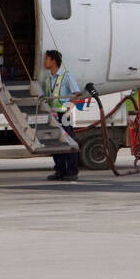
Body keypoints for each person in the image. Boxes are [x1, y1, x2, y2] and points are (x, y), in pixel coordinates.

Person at [41, 49, 82, 181]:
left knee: (68, 142)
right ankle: (60, 170)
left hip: (64, 113)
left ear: (53, 60)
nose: (44, 61)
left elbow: (76, 94)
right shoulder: (48, 78)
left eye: (46, 59)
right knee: (56, 143)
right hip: (53, 114)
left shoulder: (66, 76)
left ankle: (72, 171)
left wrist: (68, 112)